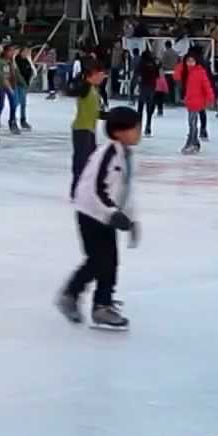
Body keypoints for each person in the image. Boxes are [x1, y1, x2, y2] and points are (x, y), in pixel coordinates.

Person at [54, 107, 142, 331]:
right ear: (119, 132)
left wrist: (131, 220)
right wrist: (112, 213)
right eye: (135, 128)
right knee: (98, 260)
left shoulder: (126, 155)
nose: (138, 132)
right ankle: (71, 294)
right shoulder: (107, 154)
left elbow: (125, 191)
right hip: (90, 213)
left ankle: (102, 305)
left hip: (106, 216)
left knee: (110, 262)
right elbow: (93, 188)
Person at [68, 59, 107, 194]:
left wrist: (111, 116)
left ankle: (85, 188)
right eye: (101, 75)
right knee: (81, 160)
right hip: (81, 129)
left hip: (89, 129)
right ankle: (77, 189)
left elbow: (95, 112)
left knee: (91, 160)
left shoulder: (93, 90)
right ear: (94, 74)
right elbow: (72, 91)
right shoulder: (85, 87)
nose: (103, 78)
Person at [176, 53, 214, 155]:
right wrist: (181, 65)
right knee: (192, 122)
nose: (190, 63)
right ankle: (195, 143)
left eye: (192, 61)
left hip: (197, 101)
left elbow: (207, 85)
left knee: (192, 123)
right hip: (190, 101)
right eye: (188, 61)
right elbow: (176, 76)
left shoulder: (200, 72)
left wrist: (210, 98)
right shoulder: (185, 72)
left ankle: (191, 143)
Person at [0, 44, 25, 134]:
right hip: (1, 86)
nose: (12, 53)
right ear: (5, 51)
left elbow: (17, 73)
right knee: (1, 105)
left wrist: (23, 83)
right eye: (10, 51)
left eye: (13, 51)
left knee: (13, 104)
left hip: (12, 85)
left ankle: (12, 122)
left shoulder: (11, 62)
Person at [133, 49, 160, 136]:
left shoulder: (141, 63)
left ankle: (138, 127)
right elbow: (157, 75)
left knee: (140, 108)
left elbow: (136, 73)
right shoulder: (153, 63)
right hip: (151, 86)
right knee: (149, 107)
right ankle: (148, 126)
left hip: (143, 86)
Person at [15, 46, 35, 130]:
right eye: (25, 52)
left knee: (23, 104)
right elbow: (17, 72)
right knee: (17, 103)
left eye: (28, 52)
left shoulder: (27, 60)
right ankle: (13, 119)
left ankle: (23, 120)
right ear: (21, 52)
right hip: (18, 84)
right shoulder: (17, 60)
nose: (27, 54)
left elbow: (31, 71)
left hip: (24, 84)